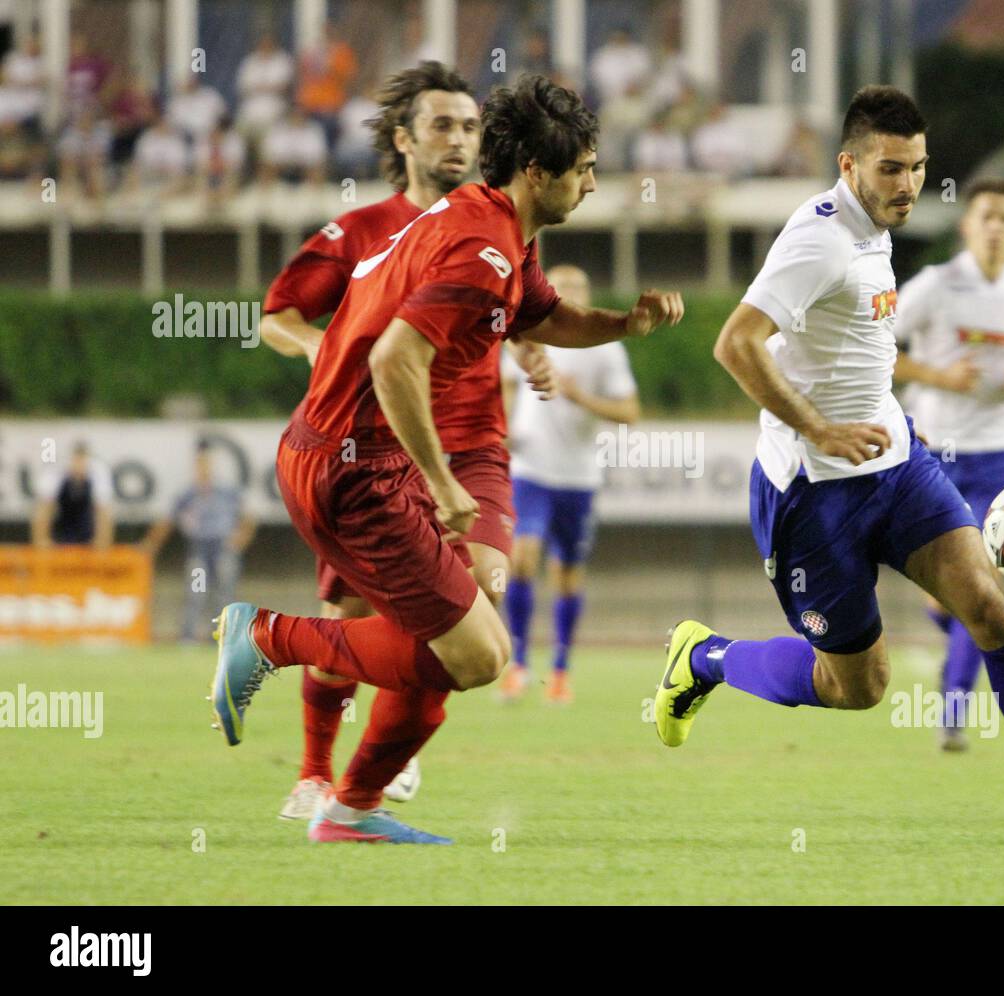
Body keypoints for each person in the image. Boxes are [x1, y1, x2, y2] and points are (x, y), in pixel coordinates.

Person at [652, 86, 1004, 845]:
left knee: (989, 610)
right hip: (811, 496)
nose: (908, 185)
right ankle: (706, 659)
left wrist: (883, 415)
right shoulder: (817, 238)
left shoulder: (875, 233)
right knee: (856, 688)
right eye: (891, 169)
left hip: (897, 466)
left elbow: (857, 350)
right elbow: (737, 343)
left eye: (919, 168)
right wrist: (817, 427)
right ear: (849, 163)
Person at [214, 75, 682, 846]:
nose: (594, 182)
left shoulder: (496, 225)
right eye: (586, 167)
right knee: (471, 654)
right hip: (354, 468)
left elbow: (541, 316)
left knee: (476, 641)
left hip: (347, 457)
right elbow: (394, 362)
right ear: (538, 170)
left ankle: (353, 807)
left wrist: (623, 325)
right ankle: (267, 642)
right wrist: (440, 483)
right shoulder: (479, 243)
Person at [261, 61, 558, 820]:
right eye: (442, 125)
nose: (459, 140)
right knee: (354, 618)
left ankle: (375, 780)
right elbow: (278, 315)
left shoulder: (497, 224)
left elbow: (515, 311)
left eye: (470, 126)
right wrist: (322, 349)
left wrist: (530, 345)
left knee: (474, 606)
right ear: (404, 138)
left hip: (468, 446)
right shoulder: (361, 229)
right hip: (369, 447)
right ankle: (315, 776)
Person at [892, 178, 1004, 751]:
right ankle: (950, 626)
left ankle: (952, 712)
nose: (996, 227)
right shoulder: (937, 286)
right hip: (936, 451)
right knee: (951, 599)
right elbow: (878, 348)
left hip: (1002, 454)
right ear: (968, 225)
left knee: (984, 580)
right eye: (987, 215)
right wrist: (939, 376)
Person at [499, 265, 641, 704]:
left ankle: (560, 670)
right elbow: (506, 387)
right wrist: (503, 431)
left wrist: (581, 397)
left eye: (580, 287)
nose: (573, 294)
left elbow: (629, 412)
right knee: (521, 558)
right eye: (563, 288)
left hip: (578, 475)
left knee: (565, 575)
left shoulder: (604, 349)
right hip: (530, 467)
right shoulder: (528, 334)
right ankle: (519, 663)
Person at [140, 442, 256, 642]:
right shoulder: (188, 494)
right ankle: (189, 636)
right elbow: (167, 521)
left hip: (223, 549)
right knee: (197, 592)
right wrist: (150, 544)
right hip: (199, 550)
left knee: (224, 593)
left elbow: (249, 516)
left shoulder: (226, 491)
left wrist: (241, 538)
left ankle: (223, 637)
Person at [31, 441, 113, 549]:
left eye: (82, 461)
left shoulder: (98, 472)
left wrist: (102, 542)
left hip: (87, 531)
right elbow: (43, 510)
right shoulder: (55, 472)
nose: (79, 466)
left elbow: (104, 513)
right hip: (60, 530)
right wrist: (42, 541)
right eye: (76, 461)